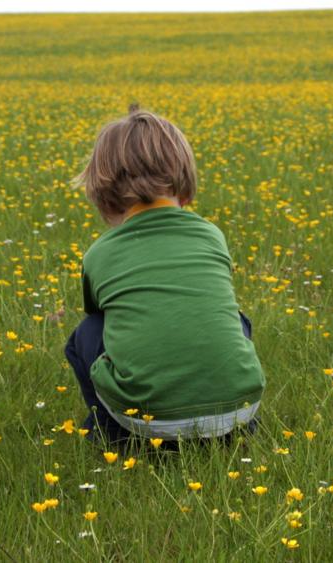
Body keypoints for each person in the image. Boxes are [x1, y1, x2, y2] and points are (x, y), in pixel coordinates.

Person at [65, 104, 265, 444]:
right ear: (184, 183)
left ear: (104, 196)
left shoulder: (101, 253)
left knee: (87, 333)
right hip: (241, 406)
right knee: (236, 319)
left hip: (147, 420)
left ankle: (110, 432)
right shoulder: (210, 234)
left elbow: (99, 314)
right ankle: (233, 430)